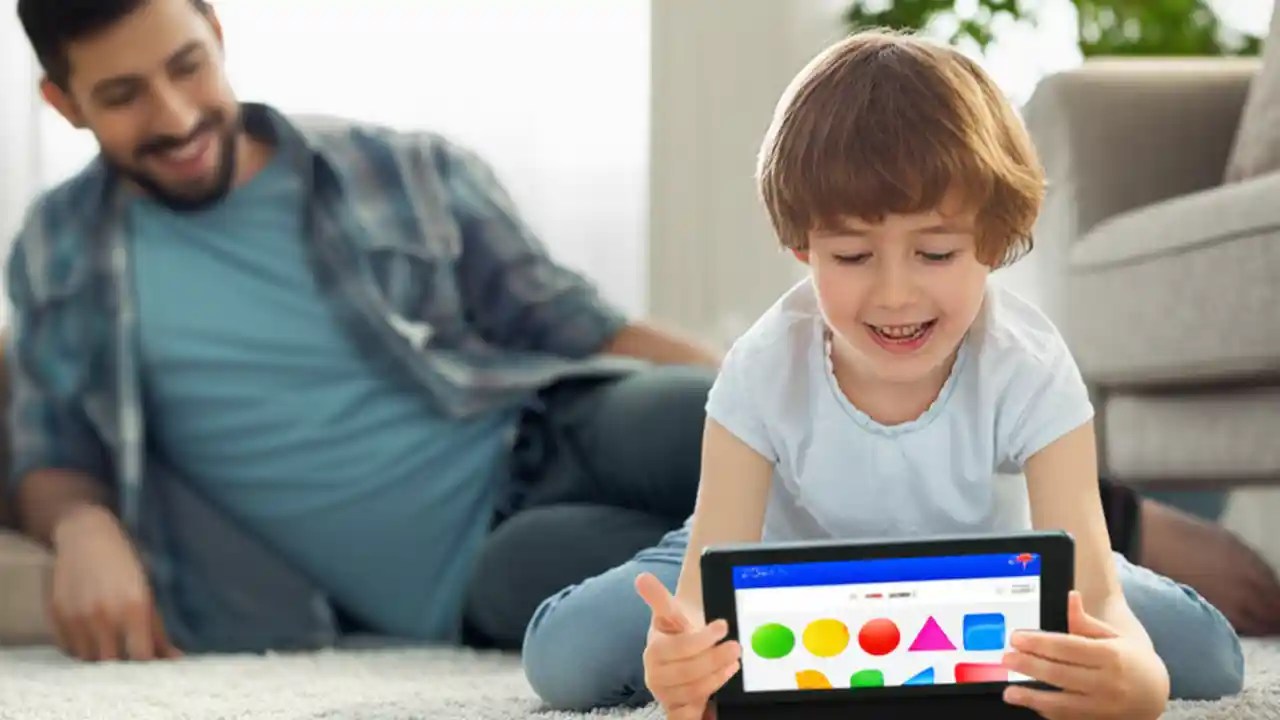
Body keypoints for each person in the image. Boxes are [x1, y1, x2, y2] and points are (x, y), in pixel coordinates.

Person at [520, 31, 1248, 718]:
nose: (896, 295)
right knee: (567, 661)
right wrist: (681, 665)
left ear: (991, 244)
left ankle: (1122, 561)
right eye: (852, 257)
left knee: (1207, 661)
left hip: (992, 569)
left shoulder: (1029, 362)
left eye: (934, 255)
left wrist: (1137, 681)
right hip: (779, 562)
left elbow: (1095, 601)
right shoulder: (763, 365)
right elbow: (706, 606)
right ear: (803, 247)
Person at [7, 0, 722, 660]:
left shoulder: (393, 166)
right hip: (475, 567)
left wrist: (770, 378)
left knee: (713, 416)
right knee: (708, 593)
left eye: (187, 67)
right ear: (64, 103)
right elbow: (52, 451)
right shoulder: (58, 250)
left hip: (559, 420)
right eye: (123, 95)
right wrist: (81, 527)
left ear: (217, 37)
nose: (175, 117)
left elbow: (581, 324)